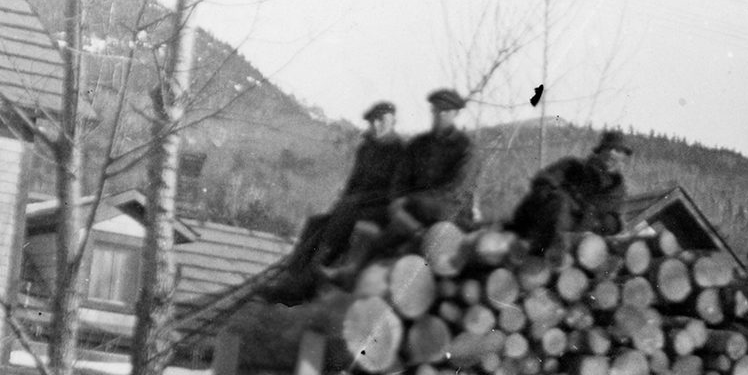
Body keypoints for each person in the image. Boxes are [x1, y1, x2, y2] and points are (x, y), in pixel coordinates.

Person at [260, 101, 405, 305]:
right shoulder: (366, 148)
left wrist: (356, 200)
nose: (377, 125)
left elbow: (394, 191)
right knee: (316, 223)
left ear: (393, 121)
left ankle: (307, 282)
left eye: (383, 120)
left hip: (378, 208)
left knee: (338, 227)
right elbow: (353, 182)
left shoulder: (400, 151)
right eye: (373, 121)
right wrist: (342, 202)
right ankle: (292, 276)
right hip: (353, 205)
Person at [323, 88, 474, 276]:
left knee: (395, 236)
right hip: (412, 210)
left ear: (456, 114)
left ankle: (406, 244)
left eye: (446, 111)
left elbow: (455, 191)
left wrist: (410, 201)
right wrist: (397, 201)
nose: (440, 116)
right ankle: (348, 272)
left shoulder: (465, 147)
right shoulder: (419, 144)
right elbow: (400, 180)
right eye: (436, 110)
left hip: (448, 212)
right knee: (372, 227)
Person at [506, 129, 634, 254]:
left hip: (580, 238)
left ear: (623, 156)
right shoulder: (573, 166)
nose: (612, 153)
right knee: (559, 201)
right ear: (600, 151)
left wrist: (597, 222)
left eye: (617, 150)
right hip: (543, 225)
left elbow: (613, 221)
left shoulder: (617, 188)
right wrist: (550, 196)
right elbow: (544, 181)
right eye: (608, 148)